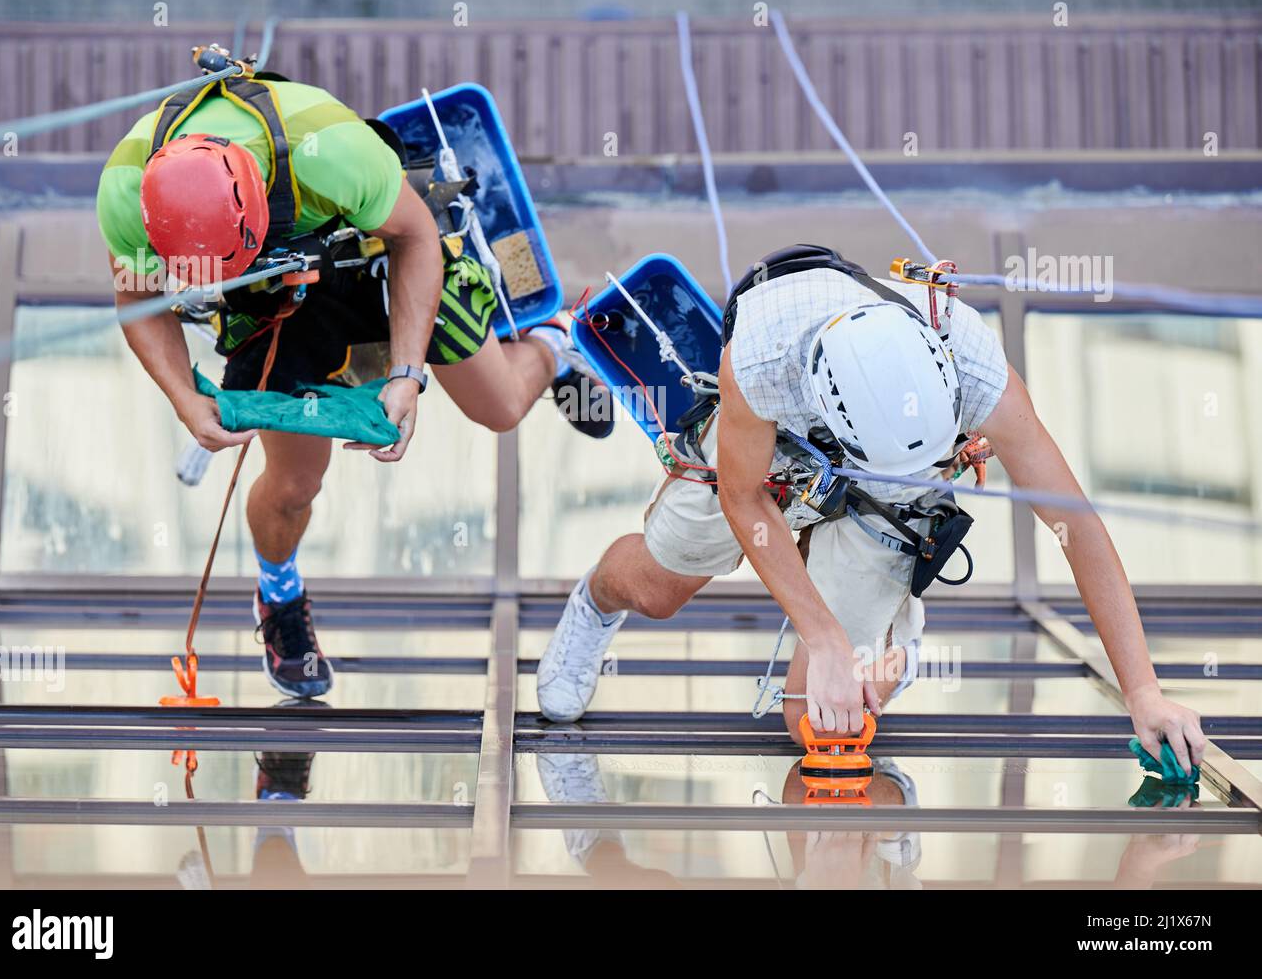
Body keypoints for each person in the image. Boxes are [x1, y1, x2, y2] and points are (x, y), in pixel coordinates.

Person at [537, 244, 1206, 776]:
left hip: (901, 490)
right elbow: (744, 500)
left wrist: (1142, 692)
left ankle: (895, 647)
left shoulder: (973, 364)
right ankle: (595, 602)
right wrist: (824, 637)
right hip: (777, 450)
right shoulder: (763, 356)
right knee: (656, 590)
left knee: (813, 721)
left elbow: (1075, 525)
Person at [98, 69, 610, 699]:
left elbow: (414, 235)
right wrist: (183, 397)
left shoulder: (333, 151)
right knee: (291, 486)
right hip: (268, 290)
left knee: (500, 406)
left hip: (375, 247)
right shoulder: (126, 192)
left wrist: (405, 376)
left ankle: (556, 343)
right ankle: (278, 594)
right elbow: (140, 297)